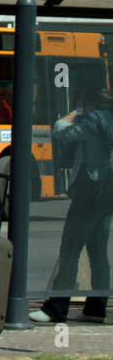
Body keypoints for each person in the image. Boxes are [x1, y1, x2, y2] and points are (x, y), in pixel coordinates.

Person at [32, 89, 113, 324]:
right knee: (98, 253)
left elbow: (59, 130)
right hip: (108, 193)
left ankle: (56, 308)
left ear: (88, 103)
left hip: (89, 193)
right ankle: (96, 309)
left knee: (70, 250)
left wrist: (77, 111)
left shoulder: (91, 121)